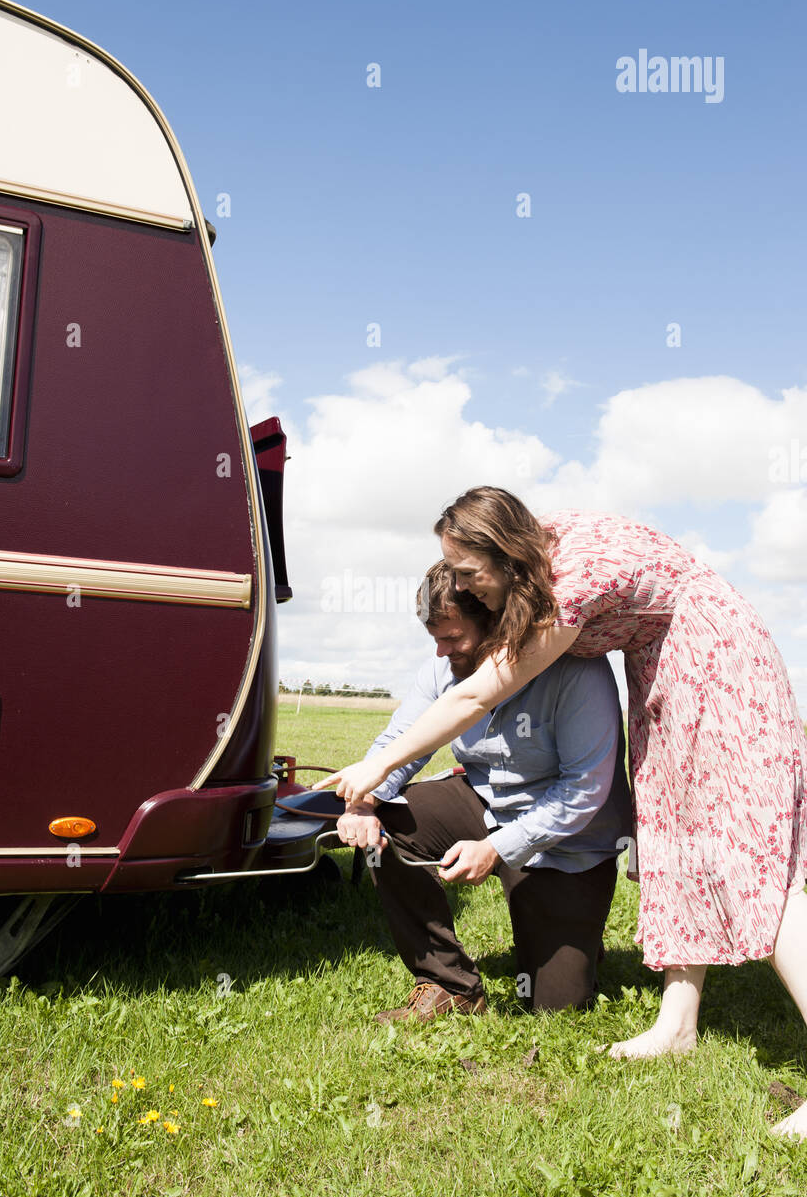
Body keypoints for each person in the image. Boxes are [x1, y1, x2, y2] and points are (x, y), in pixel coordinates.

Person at [315, 487, 807, 1139]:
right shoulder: (544, 546)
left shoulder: (564, 592)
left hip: (717, 677)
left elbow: (473, 698)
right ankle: (678, 1023)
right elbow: (441, 697)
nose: (459, 585)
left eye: (467, 573)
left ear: (504, 553)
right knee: (676, 848)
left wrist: (374, 773)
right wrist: (371, 796)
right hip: (666, 672)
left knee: (755, 865)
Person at [337, 561, 633, 1021]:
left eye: (452, 638)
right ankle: (447, 984)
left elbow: (583, 791)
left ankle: (577, 942)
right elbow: (401, 744)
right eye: (435, 638)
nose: (440, 652)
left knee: (554, 1005)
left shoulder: (577, 671)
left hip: (565, 843)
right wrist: (364, 802)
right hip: (487, 804)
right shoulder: (445, 666)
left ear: (496, 623)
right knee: (392, 825)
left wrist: (495, 849)